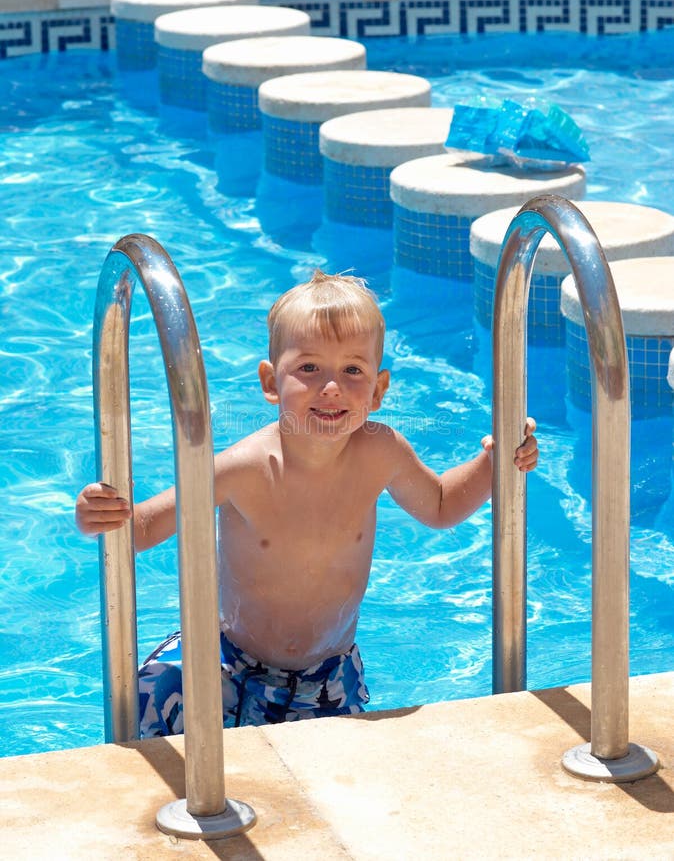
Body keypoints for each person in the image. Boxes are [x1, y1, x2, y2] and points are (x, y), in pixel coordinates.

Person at [76, 270, 538, 736]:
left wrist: (494, 464)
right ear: (271, 382)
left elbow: (440, 506)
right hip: (228, 671)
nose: (331, 387)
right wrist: (99, 514)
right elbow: (140, 531)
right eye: (309, 368)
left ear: (378, 391)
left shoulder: (382, 452)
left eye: (352, 370)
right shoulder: (244, 468)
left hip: (327, 678)